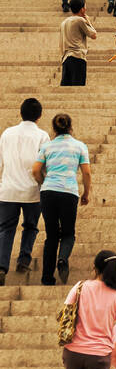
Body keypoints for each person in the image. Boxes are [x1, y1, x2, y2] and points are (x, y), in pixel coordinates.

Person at [33, 113, 90, 286]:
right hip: (69, 192)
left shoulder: (47, 146)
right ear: (70, 127)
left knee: (51, 236)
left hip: (48, 192)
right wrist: (86, 193)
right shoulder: (79, 146)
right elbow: (86, 172)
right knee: (68, 233)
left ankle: (47, 277)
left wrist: (44, 184)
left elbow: (35, 170)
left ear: (54, 128)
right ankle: (63, 259)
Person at [0, 97, 49, 284]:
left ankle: (2, 266)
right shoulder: (42, 136)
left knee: (5, 229)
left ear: (20, 113)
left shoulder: (7, 133)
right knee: (30, 226)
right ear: (39, 116)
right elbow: (42, 165)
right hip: (32, 191)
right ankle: (23, 259)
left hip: (8, 190)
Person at [60, 0, 98, 86]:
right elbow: (93, 35)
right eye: (85, 7)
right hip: (78, 57)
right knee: (78, 86)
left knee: (67, 89)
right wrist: (88, 22)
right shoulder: (80, 20)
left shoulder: (64, 22)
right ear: (82, 9)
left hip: (66, 58)